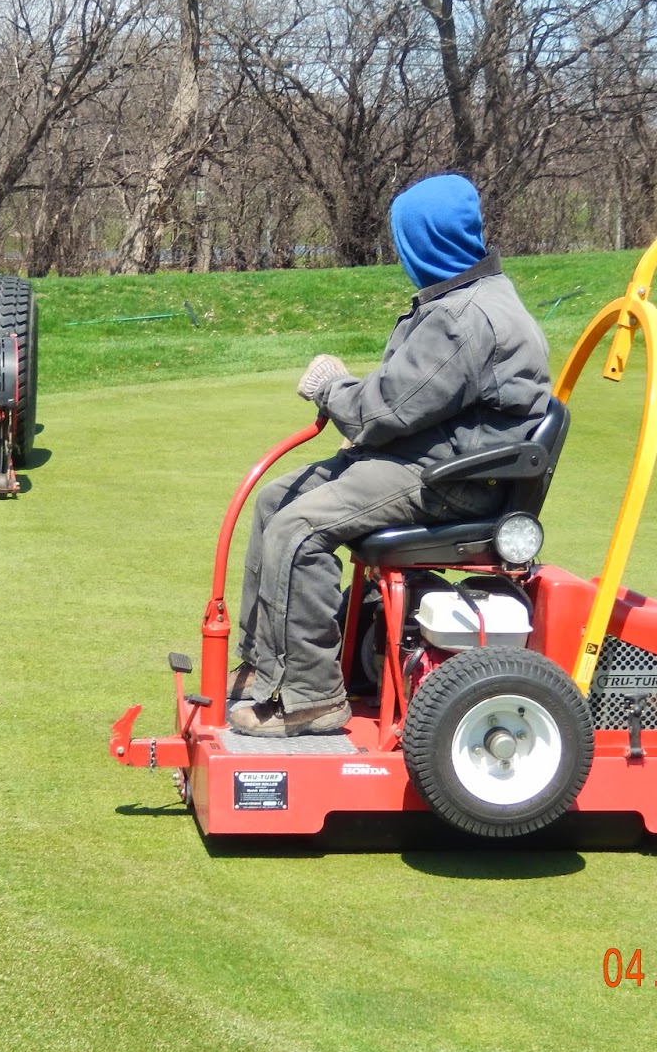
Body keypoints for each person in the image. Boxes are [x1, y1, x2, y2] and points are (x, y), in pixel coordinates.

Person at [227, 172, 552, 738]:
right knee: (276, 498)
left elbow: (382, 412)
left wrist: (330, 387)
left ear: (422, 240)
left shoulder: (463, 317)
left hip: (454, 478)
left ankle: (310, 698)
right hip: (432, 456)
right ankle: (267, 666)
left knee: (299, 530)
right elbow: (408, 399)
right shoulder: (460, 297)